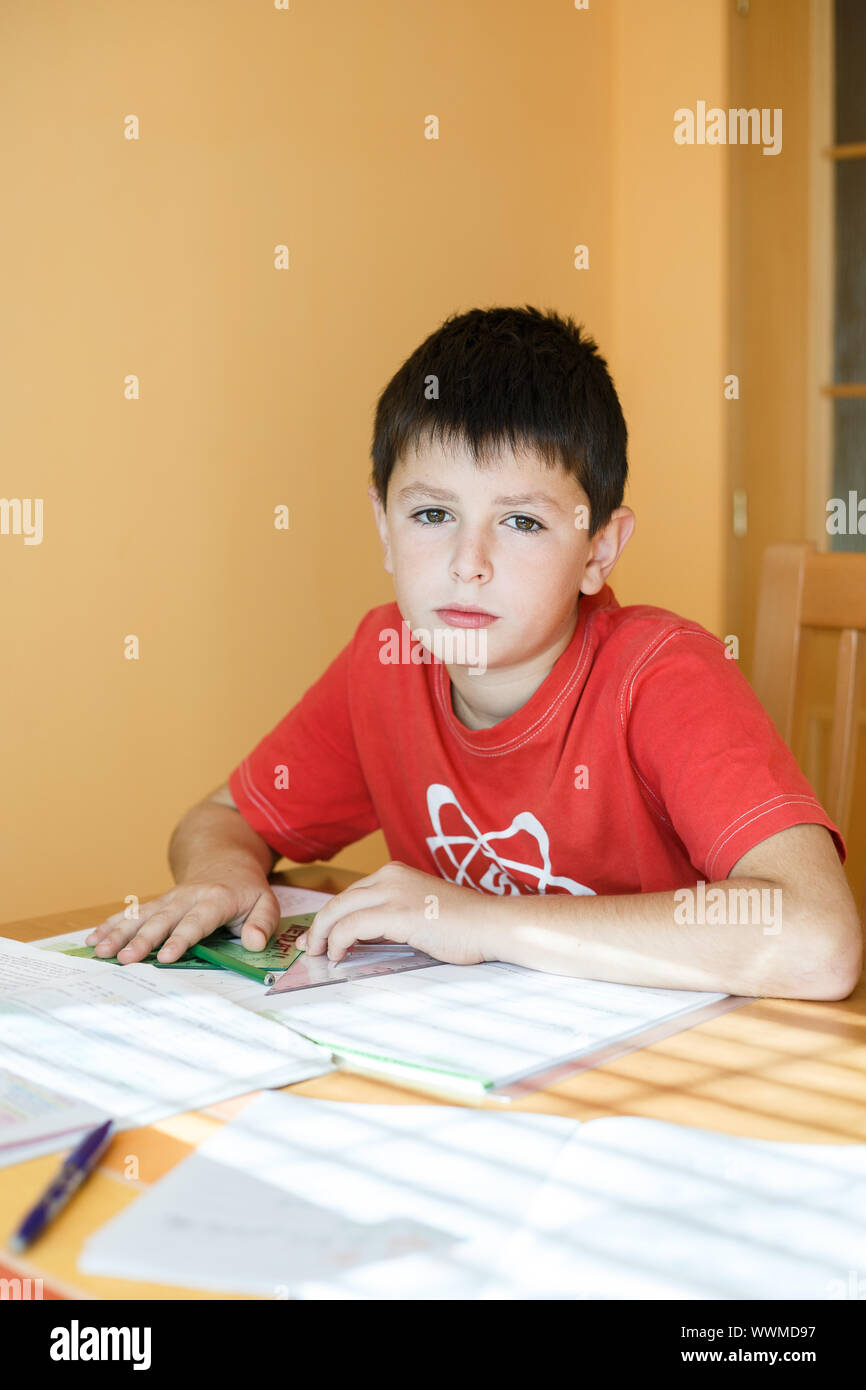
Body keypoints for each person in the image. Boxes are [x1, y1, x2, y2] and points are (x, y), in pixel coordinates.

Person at [87, 306, 861, 999]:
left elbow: (819, 941)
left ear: (599, 549)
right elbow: (221, 817)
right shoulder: (385, 659)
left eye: (521, 523)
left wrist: (484, 923)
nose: (468, 562)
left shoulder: (662, 674)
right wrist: (222, 870)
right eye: (431, 513)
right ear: (385, 529)